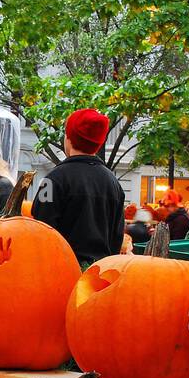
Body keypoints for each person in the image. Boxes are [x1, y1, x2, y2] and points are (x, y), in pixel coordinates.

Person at [31, 108, 125, 265]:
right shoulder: (114, 184)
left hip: (62, 271)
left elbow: (40, 229)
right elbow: (117, 236)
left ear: (68, 139)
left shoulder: (52, 180)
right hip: (99, 275)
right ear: (99, 143)